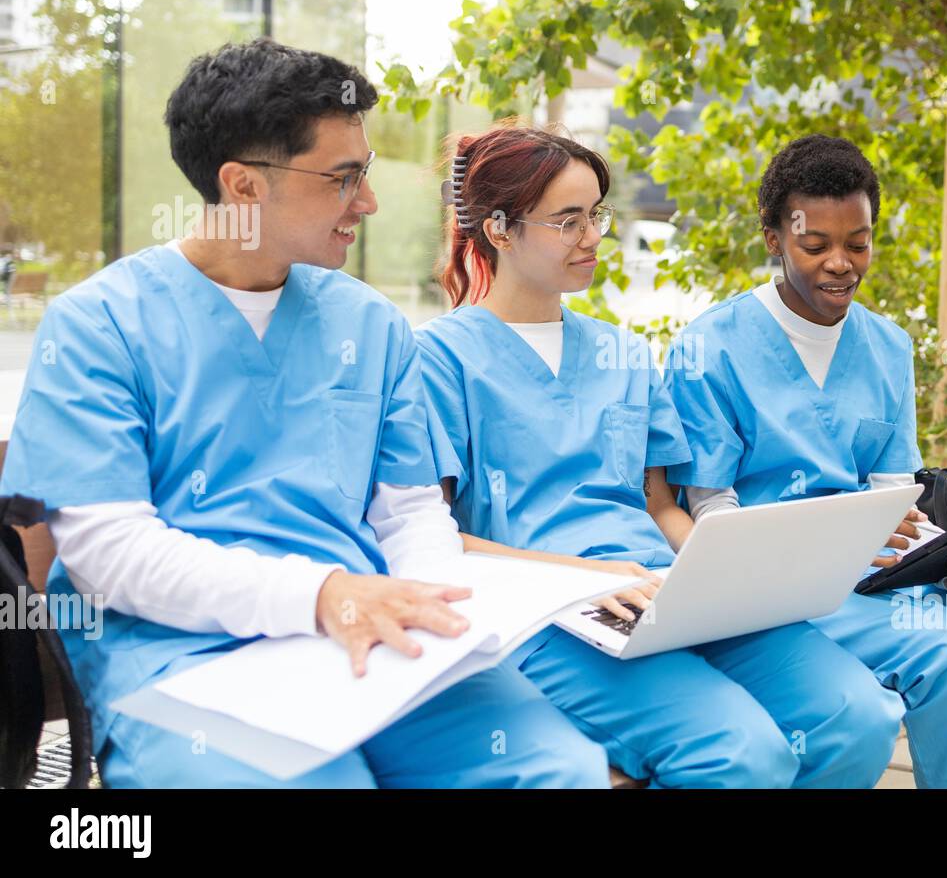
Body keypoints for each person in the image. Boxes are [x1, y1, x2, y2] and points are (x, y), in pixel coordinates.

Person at [0, 40, 609, 788]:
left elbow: (412, 514)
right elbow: (110, 554)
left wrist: (433, 610)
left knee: (558, 770)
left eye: (368, 173)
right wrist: (319, 596)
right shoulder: (100, 326)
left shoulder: (370, 324)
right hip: (179, 653)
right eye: (343, 178)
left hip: (369, 632)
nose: (369, 202)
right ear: (243, 186)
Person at [414, 123, 905, 788]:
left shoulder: (620, 352)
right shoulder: (439, 360)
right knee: (742, 752)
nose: (594, 237)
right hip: (552, 618)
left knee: (857, 716)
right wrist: (585, 576)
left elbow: (658, 505)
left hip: (668, 593)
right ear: (499, 230)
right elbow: (434, 542)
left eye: (596, 215)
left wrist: (731, 561)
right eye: (568, 221)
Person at [663, 134, 947, 788]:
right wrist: (834, 533)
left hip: (894, 581)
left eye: (858, 243)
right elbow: (711, 511)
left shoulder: (886, 346)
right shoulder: (711, 349)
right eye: (816, 246)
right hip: (791, 592)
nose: (840, 263)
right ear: (774, 240)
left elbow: (897, 496)